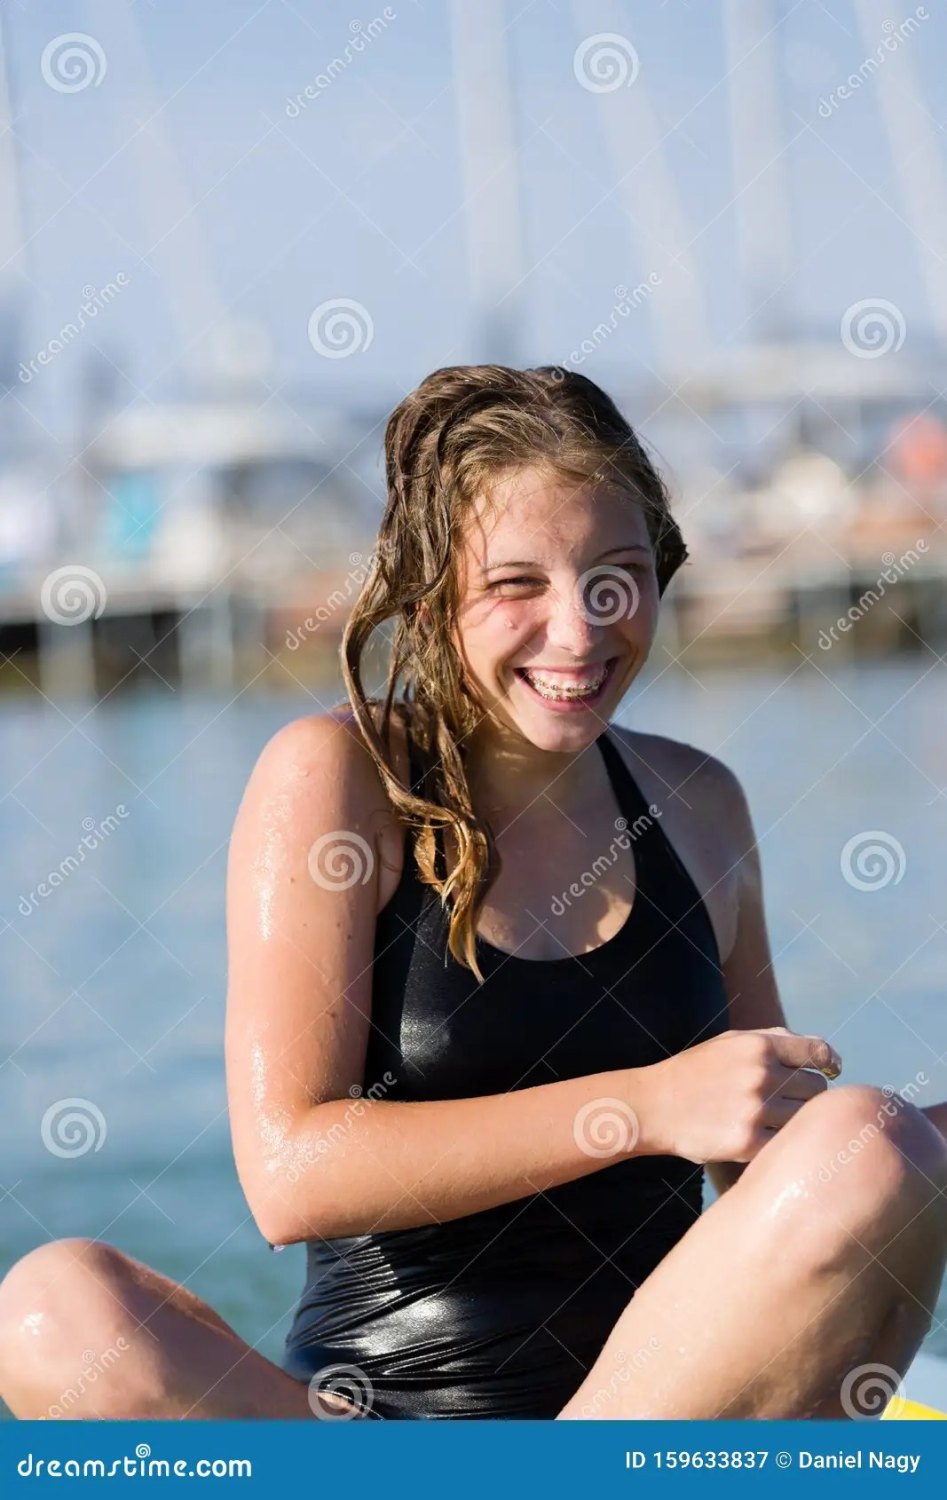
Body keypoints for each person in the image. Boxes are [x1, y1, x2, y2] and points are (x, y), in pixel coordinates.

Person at [1, 364, 946, 1422]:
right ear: (427, 588)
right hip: (373, 1435)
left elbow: (774, 1163)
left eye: (615, 575)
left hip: (653, 1419)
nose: (580, 629)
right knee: (51, 1309)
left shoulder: (695, 803)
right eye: (516, 585)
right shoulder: (338, 780)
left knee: (865, 1144)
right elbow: (289, 1177)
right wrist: (638, 1107)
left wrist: (903, 1145)